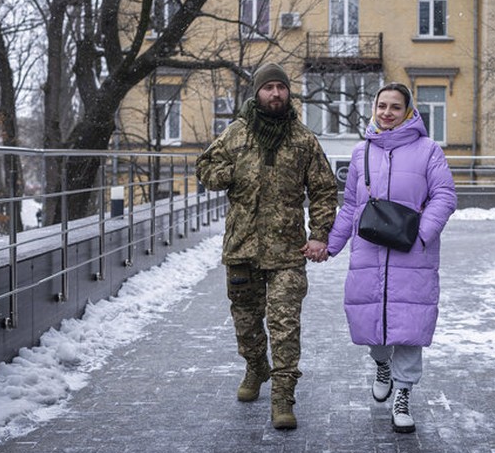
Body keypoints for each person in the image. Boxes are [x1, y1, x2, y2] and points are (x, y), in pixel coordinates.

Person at [195, 62, 337, 431]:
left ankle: (283, 395)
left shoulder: (303, 140)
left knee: (285, 324)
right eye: (268, 87)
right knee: (246, 322)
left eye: (281, 87)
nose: (276, 93)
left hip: (289, 251)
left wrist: (320, 233)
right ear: (257, 93)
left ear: (289, 93)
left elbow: (324, 190)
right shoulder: (235, 134)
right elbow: (205, 168)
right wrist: (229, 174)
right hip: (242, 247)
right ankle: (256, 365)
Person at [322, 82, 456, 433]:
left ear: (409, 111)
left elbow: (444, 196)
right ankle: (382, 363)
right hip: (369, 250)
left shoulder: (429, 151)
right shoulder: (360, 152)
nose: (387, 113)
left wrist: (421, 234)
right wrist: (331, 244)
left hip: (412, 253)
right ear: (374, 108)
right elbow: (351, 205)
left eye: (395, 107)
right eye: (382, 105)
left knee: (409, 327)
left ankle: (404, 394)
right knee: (372, 324)